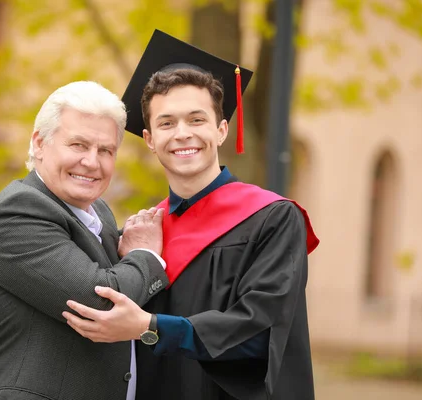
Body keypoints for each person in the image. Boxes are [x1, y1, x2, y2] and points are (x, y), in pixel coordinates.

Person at [63, 31, 320, 400]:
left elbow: (262, 335)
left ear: (221, 130)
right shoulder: (141, 236)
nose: (182, 134)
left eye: (196, 120)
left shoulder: (272, 220)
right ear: (150, 139)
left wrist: (151, 326)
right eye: (167, 123)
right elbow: (90, 314)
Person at [0, 81, 169, 400]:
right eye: (78, 145)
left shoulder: (100, 212)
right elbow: (99, 303)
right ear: (39, 143)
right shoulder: (18, 212)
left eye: (105, 150)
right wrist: (145, 256)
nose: (92, 162)